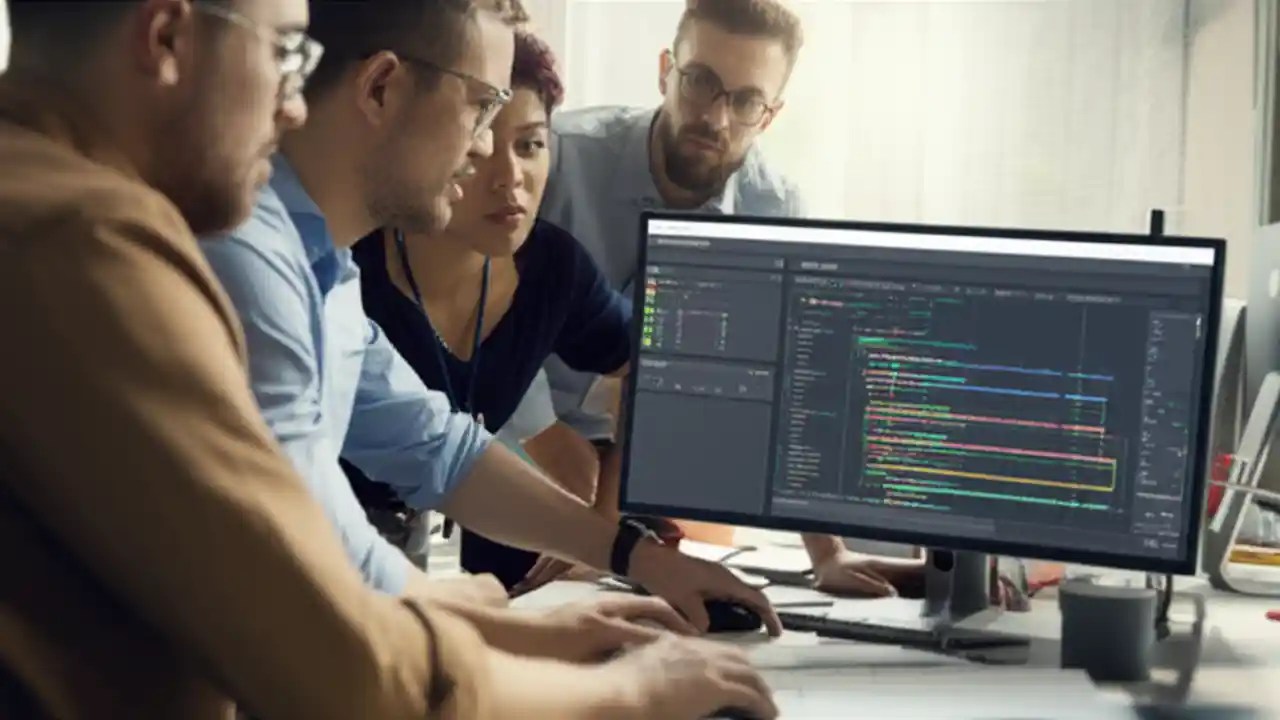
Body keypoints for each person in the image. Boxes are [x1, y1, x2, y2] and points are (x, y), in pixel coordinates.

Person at [0, 1, 781, 718]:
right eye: (284, 55)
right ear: (167, 37)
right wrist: (624, 695)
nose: (294, 104)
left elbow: (426, 445)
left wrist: (608, 568)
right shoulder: (89, 242)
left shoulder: (292, 253)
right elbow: (318, 639)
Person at [198, 0, 782, 637]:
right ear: (381, 88)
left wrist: (634, 557)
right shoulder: (247, 257)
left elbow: (439, 449)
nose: (485, 150)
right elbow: (303, 556)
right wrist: (532, 641)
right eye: (481, 108)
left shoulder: (325, 265)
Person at [508, 0, 926, 597]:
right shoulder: (555, 155)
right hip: (524, 439)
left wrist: (827, 554)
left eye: (746, 100)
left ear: (770, 115)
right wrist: (545, 435)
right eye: (701, 83)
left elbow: (791, 387)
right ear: (664, 72)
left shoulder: (775, 213)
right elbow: (476, 298)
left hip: (648, 466)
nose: (716, 117)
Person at [351, 30, 633, 591]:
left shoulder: (552, 268)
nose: (509, 177)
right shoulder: (350, 259)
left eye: (530, 145)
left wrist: (610, 528)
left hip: (408, 551)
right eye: (479, 139)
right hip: (309, 540)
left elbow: (652, 367)